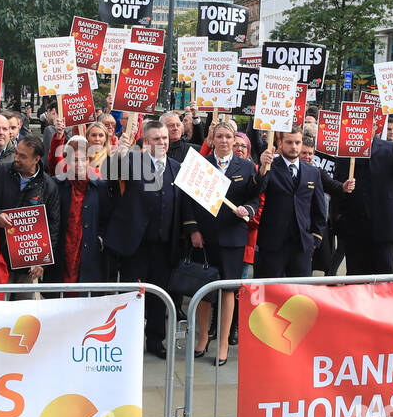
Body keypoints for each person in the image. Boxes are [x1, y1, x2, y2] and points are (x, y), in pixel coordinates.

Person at [182, 119, 259, 365]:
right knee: (205, 290)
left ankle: (223, 343)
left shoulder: (247, 168)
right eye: (220, 136)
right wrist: (193, 230)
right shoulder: (199, 164)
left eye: (229, 137)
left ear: (235, 139)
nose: (224, 141)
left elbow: (255, 199)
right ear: (213, 139)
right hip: (204, 238)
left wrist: (247, 208)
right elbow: (188, 202)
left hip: (233, 238)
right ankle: (202, 338)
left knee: (228, 290)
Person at [104, 121, 181, 357]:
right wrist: (120, 153)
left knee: (160, 295)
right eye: (157, 139)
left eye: (165, 138)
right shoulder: (133, 161)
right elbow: (111, 173)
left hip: (165, 244)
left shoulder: (177, 167)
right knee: (132, 295)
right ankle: (128, 340)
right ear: (146, 142)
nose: (162, 143)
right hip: (135, 244)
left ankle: (156, 341)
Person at [251, 126, 350, 280]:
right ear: (280, 142)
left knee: (300, 296)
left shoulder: (313, 172)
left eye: (297, 142)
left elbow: (319, 210)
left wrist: (315, 239)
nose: (294, 146)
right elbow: (256, 192)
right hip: (272, 245)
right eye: (289, 142)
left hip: (302, 246)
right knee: (269, 295)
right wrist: (263, 168)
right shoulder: (270, 167)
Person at [0, 134, 61, 288]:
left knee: (23, 307)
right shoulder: (0, 172)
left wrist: (43, 262)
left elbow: (53, 226)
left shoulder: (49, 186)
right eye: (16, 153)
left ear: (36, 159)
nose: (16, 158)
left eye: (23, 156)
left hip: (28, 263)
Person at [333, 131, 393, 275]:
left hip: (383, 225)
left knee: (384, 272)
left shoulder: (389, 148)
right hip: (354, 224)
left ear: (375, 126)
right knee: (355, 274)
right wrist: (338, 215)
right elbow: (337, 183)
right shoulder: (344, 149)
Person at [50, 135, 110, 287]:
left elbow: (106, 217)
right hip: (62, 252)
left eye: (85, 159)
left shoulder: (101, 187)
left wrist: (100, 238)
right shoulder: (56, 185)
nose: (80, 164)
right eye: (75, 160)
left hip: (90, 253)